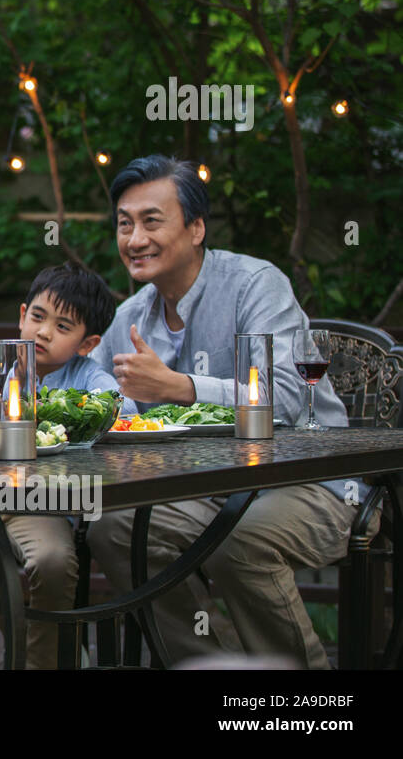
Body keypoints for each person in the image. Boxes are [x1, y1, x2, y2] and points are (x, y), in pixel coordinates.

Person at [86, 154, 372, 668]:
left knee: (241, 540)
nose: (134, 238)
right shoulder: (130, 316)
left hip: (312, 479)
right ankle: (211, 668)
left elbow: (289, 397)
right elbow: (91, 394)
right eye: (124, 224)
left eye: (152, 221)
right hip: (201, 488)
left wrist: (184, 387)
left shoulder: (254, 285)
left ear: (196, 228)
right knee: (114, 526)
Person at [0, 261, 136, 669]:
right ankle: (38, 647)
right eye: (39, 317)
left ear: (86, 343)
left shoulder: (86, 379)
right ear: (23, 316)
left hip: (42, 503)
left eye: (63, 327)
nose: (44, 332)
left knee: (54, 561)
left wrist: (82, 417)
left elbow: (123, 411)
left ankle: (46, 660)